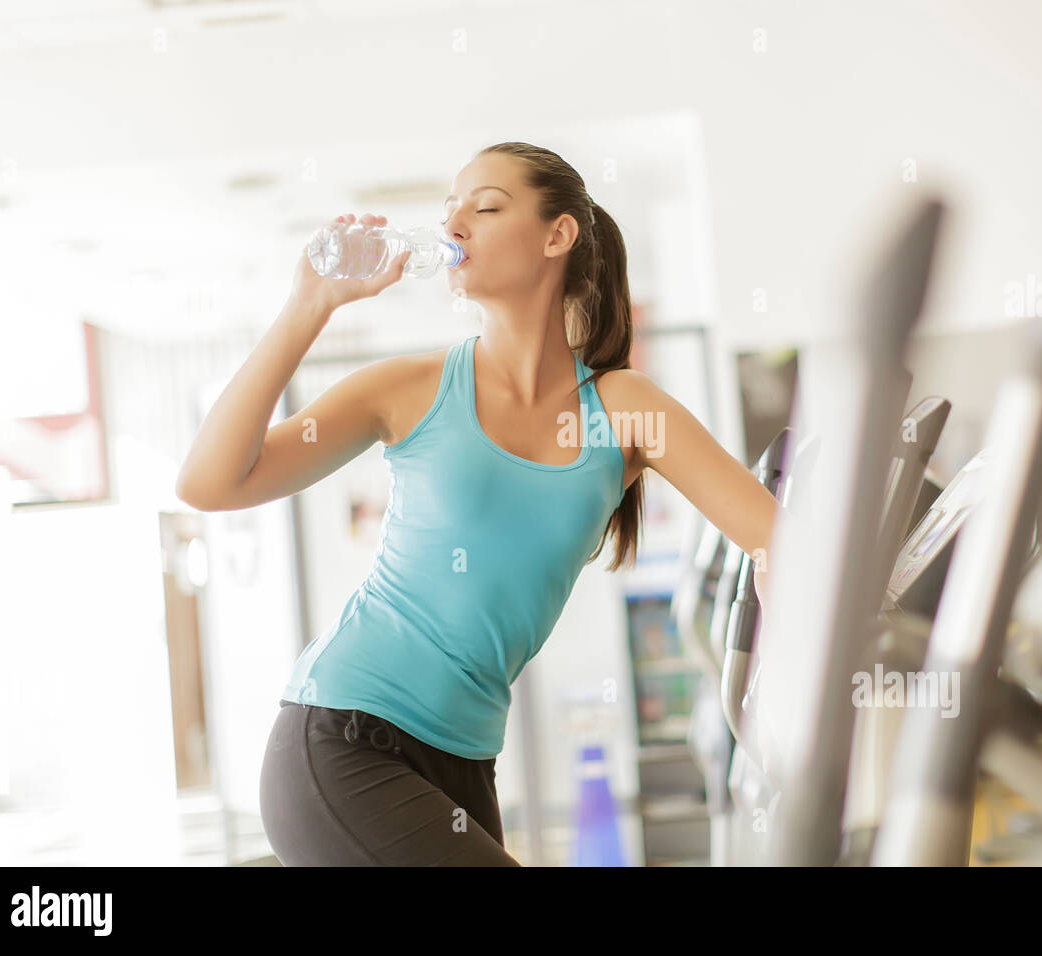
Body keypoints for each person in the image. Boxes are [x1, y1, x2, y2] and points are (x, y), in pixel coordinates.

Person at [176, 141, 782, 866]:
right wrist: (309, 305)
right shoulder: (408, 388)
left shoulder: (622, 411)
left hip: (464, 764)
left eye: (486, 207)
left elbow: (777, 541)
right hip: (345, 737)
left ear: (558, 236)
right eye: (450, 210)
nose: (455, 223)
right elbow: (210, 483)